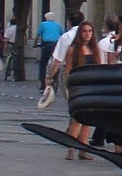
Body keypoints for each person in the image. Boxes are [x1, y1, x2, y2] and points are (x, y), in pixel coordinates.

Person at [62, 20, 104, 160]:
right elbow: (68, 69)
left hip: (91, 87)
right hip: (78, 87)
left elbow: (99, 68)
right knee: (76, 120)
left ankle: (83, 149)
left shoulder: (95, 49)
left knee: (87, 120)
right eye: (84, 31)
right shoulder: (73, 49)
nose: (87, 34)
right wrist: (70, 87)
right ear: (80, 33)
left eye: (90, 31)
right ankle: (71, 148)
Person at [37, 11, 63, 89]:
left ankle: (42, 82)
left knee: (43, 63)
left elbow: (38, 34)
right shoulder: (58, 25)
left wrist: (35, 43)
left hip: (47, 44)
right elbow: (62, 34)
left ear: (46, 18)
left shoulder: (43, 24)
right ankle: (55, 77)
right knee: (56, 61)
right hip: (56, 44)